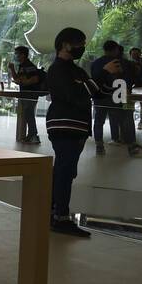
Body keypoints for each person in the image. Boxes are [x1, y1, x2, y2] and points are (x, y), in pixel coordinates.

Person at [47, 28, 111, 236]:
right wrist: (102, 74)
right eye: (79, 43)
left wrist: (108, 75)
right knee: (65, 170)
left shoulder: (78, 71)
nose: (82, 47)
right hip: (64, 125)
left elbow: (97, 93)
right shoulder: (57, 69)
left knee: (65, 170)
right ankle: (60, 218)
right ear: (65, 44)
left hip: (78, 127)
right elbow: (72, 95)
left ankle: (54, 212)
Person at [90, 40, 138, 155]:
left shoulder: (96, 63)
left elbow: (94, 80)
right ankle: (131, 147)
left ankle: (99, 146)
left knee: (99, 121)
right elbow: (130, 79)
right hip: (120, 96)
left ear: (104, 49)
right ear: (116, 49)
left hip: (100, 97)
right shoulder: (123, 63)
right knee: (126, 120)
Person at [8, 45, 43, 144]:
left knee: (29, 114)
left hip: (30, 94)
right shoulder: (22, 66)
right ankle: (31, 135)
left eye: (17, 54)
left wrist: (24, 82)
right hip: (25, 94)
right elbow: (17, 79)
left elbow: (35, 79)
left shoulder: (29, 65)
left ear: (23, 55)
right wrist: (12, 69)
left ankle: (33, 135)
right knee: (27, 114)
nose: (16, 56)